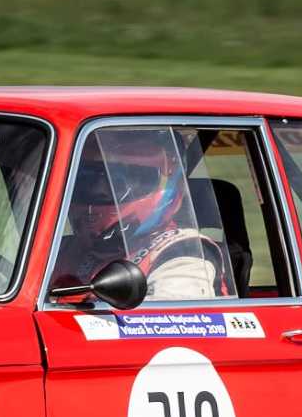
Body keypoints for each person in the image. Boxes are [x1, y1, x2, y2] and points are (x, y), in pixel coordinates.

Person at [54, 128, 230, 301]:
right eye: (85, 180)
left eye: (114, 183)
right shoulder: (64, 250)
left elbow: (171, 322)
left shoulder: (184, 254)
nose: (96, 191)